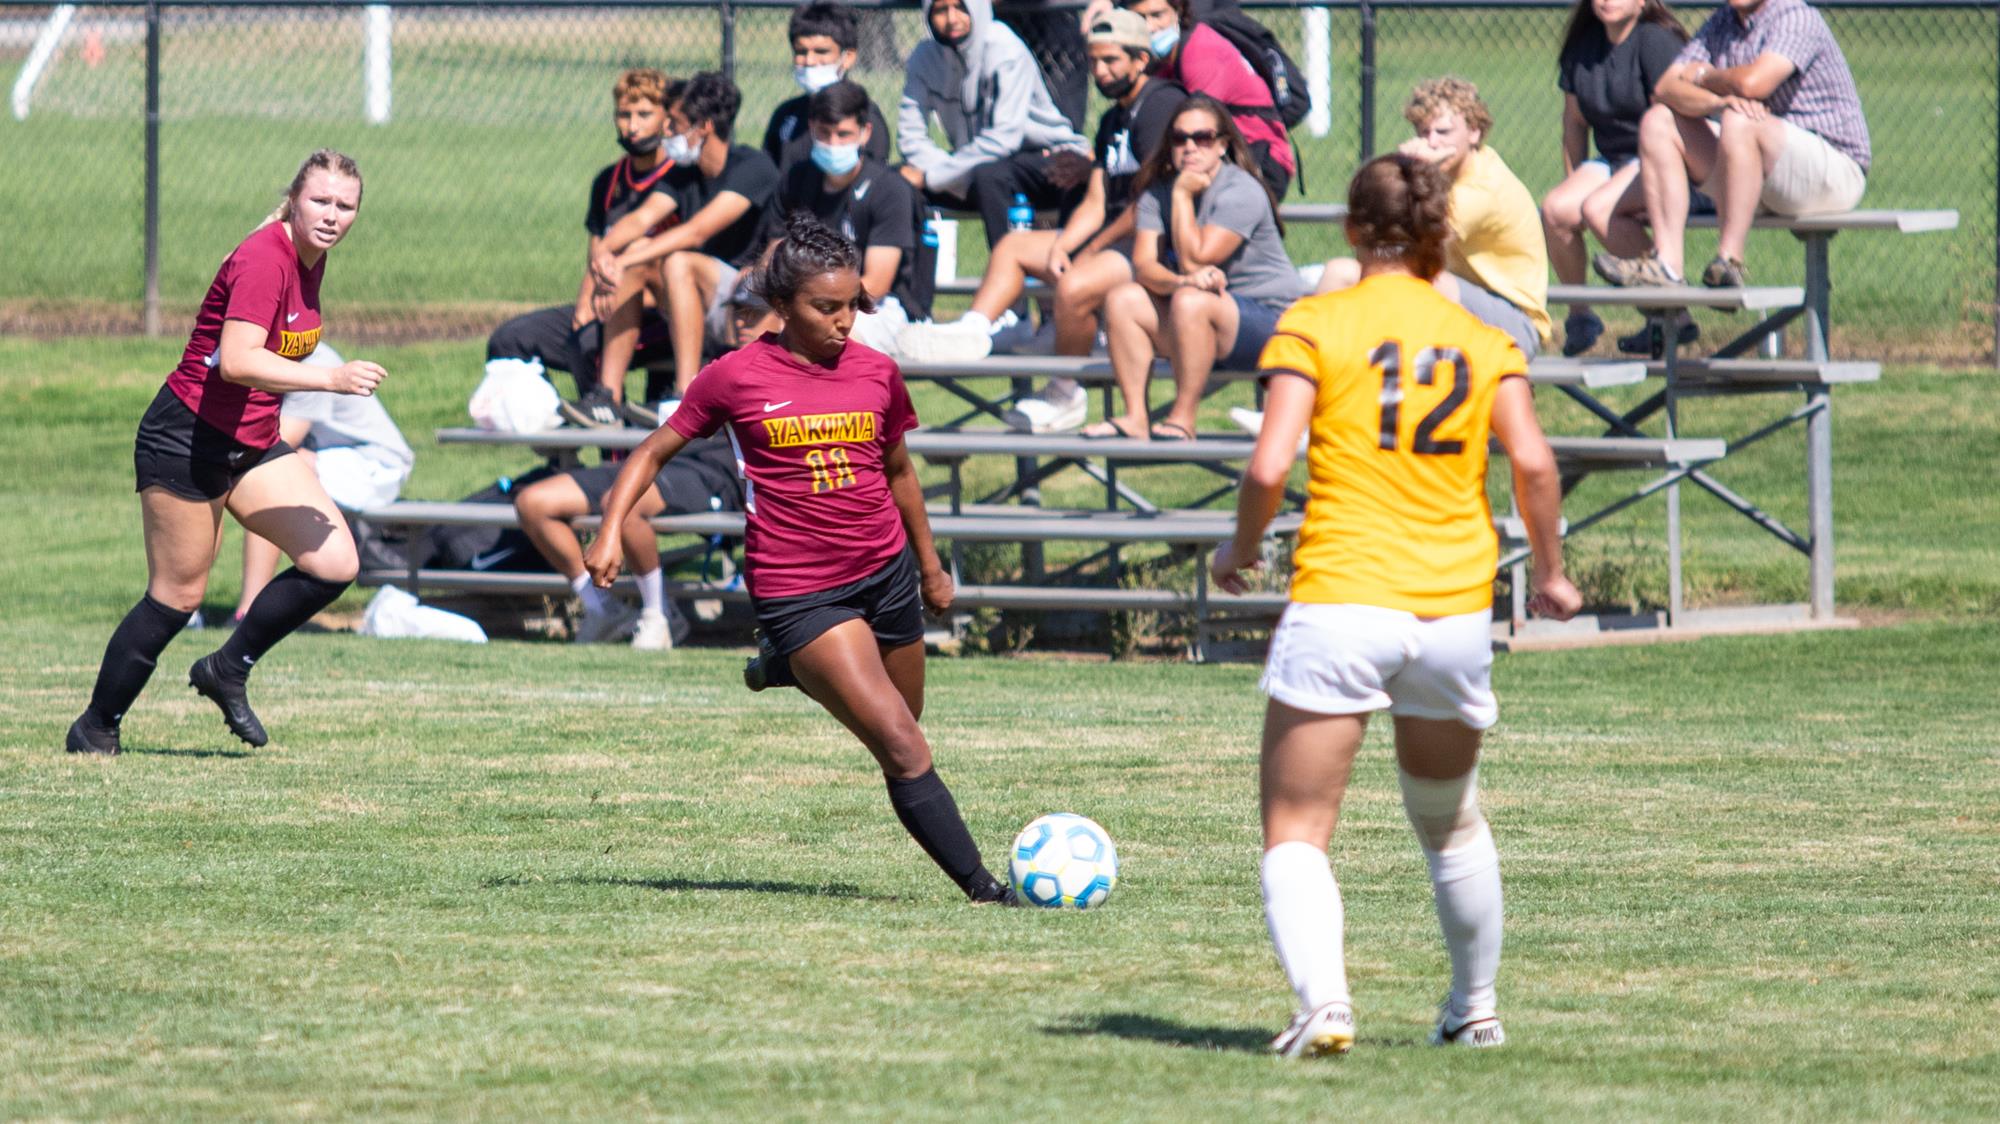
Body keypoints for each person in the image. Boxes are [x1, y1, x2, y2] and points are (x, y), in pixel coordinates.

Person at [1210, 153, 1582, 1058]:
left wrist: (1241, 547)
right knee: (1451, 821)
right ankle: (1475, 1008)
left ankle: (1325, 1005)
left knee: (1297, 831)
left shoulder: (1315, 322)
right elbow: (1534, 462)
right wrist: (1552, 573)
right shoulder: (1479, 337)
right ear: (1440, 235)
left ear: (1351, 231)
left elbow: (1270, 463)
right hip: (1453, 611)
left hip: (1344, 595)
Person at [584, 213, 1017, 905]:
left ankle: (788, 666)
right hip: (802, 589)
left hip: (887, 574)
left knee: (904, 723)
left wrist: (930, 567)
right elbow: (651, 451)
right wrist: (610, 531)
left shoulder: (877, 373)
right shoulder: (735, 376)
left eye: (853, 304)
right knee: (905, 748)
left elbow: (900, 472)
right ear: (782, 306)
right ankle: (986, 891)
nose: (845, 321)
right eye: (826, 307)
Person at [66, 150, 381, 756]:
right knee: (177, 597)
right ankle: (96, 728)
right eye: (320, 201)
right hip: (187, 438)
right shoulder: (267, 258)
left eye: (345, 206)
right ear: (294, 200)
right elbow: (235, 362)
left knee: (335, 562)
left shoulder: (311, 258)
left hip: (251, 441)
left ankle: (227, 668)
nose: (331, 215)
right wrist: (331, 379)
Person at [896, 8, 1188, 437]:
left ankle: (1065, 392)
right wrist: (1065, 245)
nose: (1100, 71)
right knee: (1014, 247)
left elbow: (1148, 203)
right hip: (1114, 237)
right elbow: (1097, 199)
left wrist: (1087, 250)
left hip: (1151, 242)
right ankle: (972, 331)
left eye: (1111, 60)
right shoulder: (1113, 118)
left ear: (1141, 59)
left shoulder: (1161, 106)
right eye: (1094, 61)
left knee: (1073, 284)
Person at [1592, 0, 1869, 290]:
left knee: (1739, 119)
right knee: (1659, 121)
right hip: (1758, 168)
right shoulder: (1722, 22)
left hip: (1834, 171)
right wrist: (1717, 102)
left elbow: (1753, 84)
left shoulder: (1796, 16)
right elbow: (1665, 88)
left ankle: (1728, 261)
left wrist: (1704, 76)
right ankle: (1667, 266)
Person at [1085, 96, 1300, 441]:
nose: (1190, 147)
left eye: (1202, 138)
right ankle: (1135, 417)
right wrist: (1179, 282)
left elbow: (1196, 259)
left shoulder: (1241, 190)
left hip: (1273, 323)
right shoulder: (1157, 193)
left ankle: (1183, 418)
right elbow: (1145, 267)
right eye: (1179, 138)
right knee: (1124, 298)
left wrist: (1183, 197)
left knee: (1190, 301)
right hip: (1201, 321)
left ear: (1222, 145)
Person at [489, 68, 680, 429]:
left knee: (592, 340)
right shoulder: (609, 181)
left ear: (667, 118)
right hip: (604, 304)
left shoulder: (681, 178)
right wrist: (584, 306)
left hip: (661, 315)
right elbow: (596, 253)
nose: (632, 126)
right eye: (624, 115)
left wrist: (621, 296)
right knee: (511, 339)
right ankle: (559, 444)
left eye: (644, 114)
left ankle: (616, 447)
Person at [1315, 79, 1553, 361]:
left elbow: (1408, 239)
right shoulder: (1451, 176)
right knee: (1362, 276)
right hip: (1464, 302)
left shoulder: (1483, 187)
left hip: (1515, 324)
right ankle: (1335, 363)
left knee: (1355, 274)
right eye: (1423, 132)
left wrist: (1412, 168)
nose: (1432, 142)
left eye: (1443, 132)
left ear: (1474, 132)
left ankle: (1320, 362)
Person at [592, 72, 779, 412]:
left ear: (703, 127)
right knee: (638, 252)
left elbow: (697, 231)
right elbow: (641, 219)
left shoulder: (754, 168)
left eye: (675, 124)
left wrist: (621, 260)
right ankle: (607, 397)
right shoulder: (683, 174)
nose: (666, 132)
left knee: (675, 261)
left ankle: (685, 395)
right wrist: (605, 252)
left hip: (746, 301)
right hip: (694, 297)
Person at [1542, 0, 1689, 356]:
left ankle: (1672, 316)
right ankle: (1580, 317)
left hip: (1660, 157)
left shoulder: (1655, 40)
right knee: (1556, 210)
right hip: (1613, 159)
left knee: (1599, 209)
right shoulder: (1584, 46)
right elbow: (1574, 122)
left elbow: (1682, 116)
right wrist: (1575, 179)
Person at [739, 81, 927, 358]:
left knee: (818, 335)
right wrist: (760, 294)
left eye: (843, 134)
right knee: (744, 320)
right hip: (797, 300)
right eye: (824, 133)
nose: (833, 144)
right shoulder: (796, 179)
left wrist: (802, 310)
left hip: (872, 307)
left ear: (865, 133)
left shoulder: (889, 189)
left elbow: (876, 284)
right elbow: (775, 252)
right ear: (811, 128)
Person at [233, 342, 414, 622]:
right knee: (261, 473)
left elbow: (280, 440)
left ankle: (248, 610)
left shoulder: (312, 360)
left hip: (377, 465)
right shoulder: (267, 356)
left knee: (271, 476)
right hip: (332, 457)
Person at [512, 435, 742, 649]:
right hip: (643, 456)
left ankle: (659, 614)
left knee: (623, 504)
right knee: (532, 503)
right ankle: (603, 609)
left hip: (704, 465)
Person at [897, 0, 1093, 250]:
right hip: (973, 165)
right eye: (940, 10)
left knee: (990, 176)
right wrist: (941, 172)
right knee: (896, 181)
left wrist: (933, 176)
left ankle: (1007, 269)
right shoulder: (923, 56)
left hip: (1044, 156)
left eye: (961, 7)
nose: (952, 19)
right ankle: (904, 277)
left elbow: (1004, 138)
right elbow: (910, 137)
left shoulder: (1003, 47)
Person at [1118, 0, 1297, 199]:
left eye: (1157, 15)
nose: (1150, 26)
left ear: (1177, 12)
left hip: (1256, 159)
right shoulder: (1160, 59)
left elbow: (1199, 128)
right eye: (1139, 18)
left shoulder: (1199, 52)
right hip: (1214, 157)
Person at [762, 2, 894, 177]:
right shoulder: (786, 114)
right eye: (801, 52)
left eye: (821, 51)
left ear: (848, 57)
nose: (809, 61)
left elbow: (874, 181)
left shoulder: (863, 115)